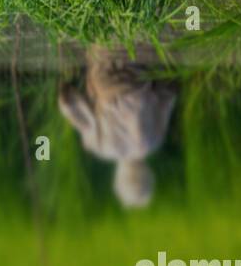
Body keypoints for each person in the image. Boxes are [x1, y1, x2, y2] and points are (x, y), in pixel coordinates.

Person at [58, 45, 176, 209]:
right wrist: (64, 85)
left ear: (148, 175)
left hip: (142, 61)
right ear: (118, 180)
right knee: (99, 59)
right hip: (104, 75)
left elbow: (168, 93)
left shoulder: (154, 141)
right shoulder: (101, 148)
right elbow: (69, 104)